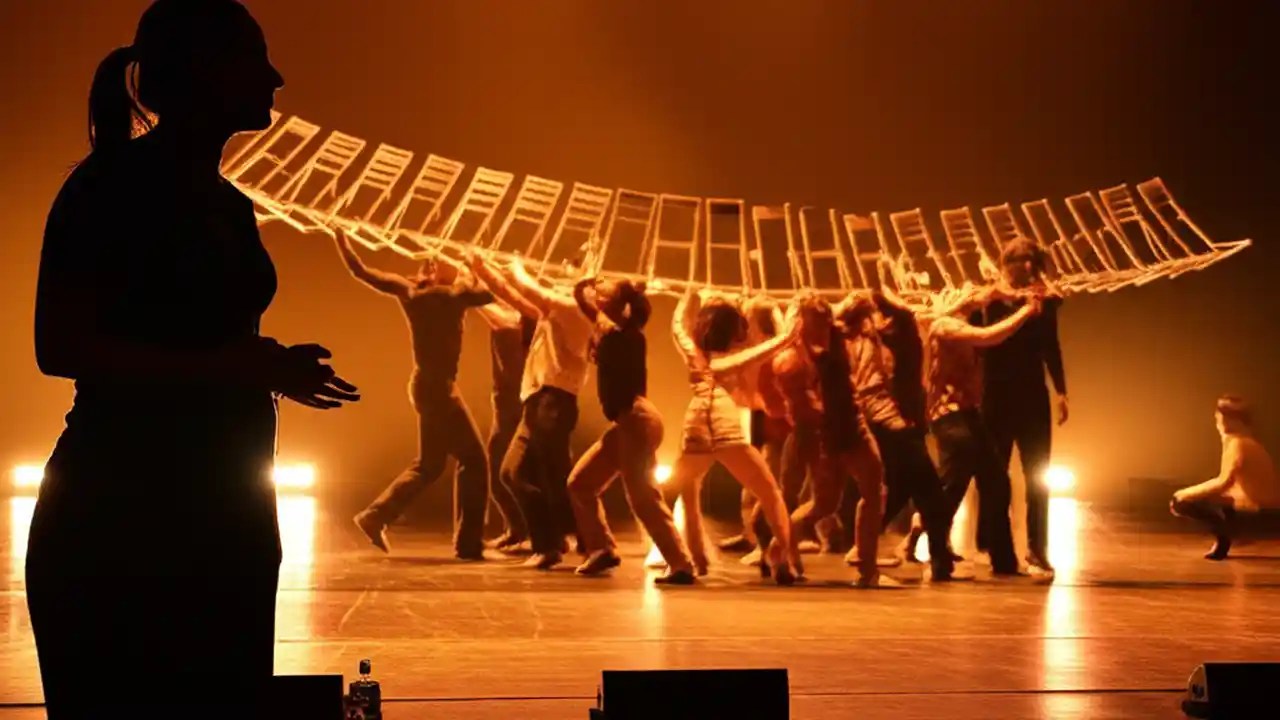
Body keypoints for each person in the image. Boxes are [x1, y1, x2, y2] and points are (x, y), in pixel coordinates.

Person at [27, 1, 360, 716]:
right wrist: (238, 368)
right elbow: (59, 348)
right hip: (131, 518)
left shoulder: (224, 204)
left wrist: (258, 364)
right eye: (254, 59)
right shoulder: (108, 189)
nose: (275, 77)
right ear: (204, 74)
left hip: (218, 513)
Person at [341, 232, 495, 560]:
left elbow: (362, 271)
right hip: (439, 389)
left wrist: (342, 240)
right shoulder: (452, 296)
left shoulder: (410, 291)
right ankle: (469, 544)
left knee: (430, 465)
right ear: (436, 270)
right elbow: (486, 295)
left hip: (426, 385)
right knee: (475, 462)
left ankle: (375, 515)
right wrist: (475, 270)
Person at [469, 252, 594, 570]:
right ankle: (563, 539)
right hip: (537, 401)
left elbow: (528, 290)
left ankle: (569, 541)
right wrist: (482, 269)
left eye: (571, 270)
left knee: (556, 480)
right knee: (512, 472)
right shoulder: (553, 310)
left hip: (554, 402)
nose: (563, 271)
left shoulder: (572, 309)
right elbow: (516, 296)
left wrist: (516, 266)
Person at [567, 278, 696, 583]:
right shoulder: (613, 329)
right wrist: (582, 286)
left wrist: (585, 288)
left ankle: (681, 564)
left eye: (606, 293)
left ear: (621, 306)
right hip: (626, 423)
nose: (599, 296)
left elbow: (592, 311)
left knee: (643, 498)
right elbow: (586, 304)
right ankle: (602, 550)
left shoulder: (627, 335)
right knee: (580, 484)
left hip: (637, 420)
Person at [668, 291, 801, 584]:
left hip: (695, 429)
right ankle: (781, 559)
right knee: (770, 493)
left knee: (678, 496)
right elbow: (776, 344)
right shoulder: (728, 360)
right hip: (724, 427)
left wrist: (689, 296)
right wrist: (792, 315)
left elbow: (677, 325)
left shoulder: (695, 357)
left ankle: (686, 560)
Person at [911, 286, 1041, 576]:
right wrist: (1026, 311)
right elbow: (989, 337)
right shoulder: (944, 325)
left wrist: (1009, 292)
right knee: (950, 489)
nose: (973, 293)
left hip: (969, 417)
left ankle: (1003, 561)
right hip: (951, 418)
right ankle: (936, 554)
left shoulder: (955, 321)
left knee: (996, 483)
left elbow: (986, 294)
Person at [770, 295, 893, 587]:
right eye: (818, 319)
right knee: (865, 494)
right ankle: (866, 569)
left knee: (826, 503)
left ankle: (779, 550)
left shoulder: (825, 337)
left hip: (838, 429)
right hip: (842, 430)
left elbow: (844, 316)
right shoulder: (803, 353)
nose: (825, 323)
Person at [838, 291, 960, 581]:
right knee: (929, 494)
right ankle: (938, 562)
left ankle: (867, 548)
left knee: (902, 490)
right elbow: (903, 314)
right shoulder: (886, 337)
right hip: (893, 422)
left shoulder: (865, 339)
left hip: (891, 420)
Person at [976, 239, 1068, 573]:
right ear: (1008, 264)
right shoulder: (991, 298)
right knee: (994, 474)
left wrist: (1061, 391)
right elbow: (979, 341)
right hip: (996, 395)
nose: (1027, 270)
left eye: (1031, 263)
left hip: (1031, 395)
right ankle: (992, 543)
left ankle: (1036, 548)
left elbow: (1051, 346)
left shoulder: (1043, 300)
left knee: (1039, 476)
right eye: (1021, 263)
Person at [1171, 396, 1280, 560]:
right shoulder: (1246, 442)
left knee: (1182, 502)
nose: (1220, 423)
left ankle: (1226, 535)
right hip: (1262, 504)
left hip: (1261, 510)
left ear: (1236, 420)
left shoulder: (1239, 444)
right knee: (1207, 498)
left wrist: (1185, 493)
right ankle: (1230, 533)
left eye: (1224, 418)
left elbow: (1223, 482)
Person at [477, 301, 535, 553]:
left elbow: (483, 304)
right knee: (501, 471)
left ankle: (529, 532)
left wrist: (471, 273)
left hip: (514, 406)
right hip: (506, 405)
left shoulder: (511, 320)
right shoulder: (512, 319)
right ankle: (517, 529)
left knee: (507, 471)